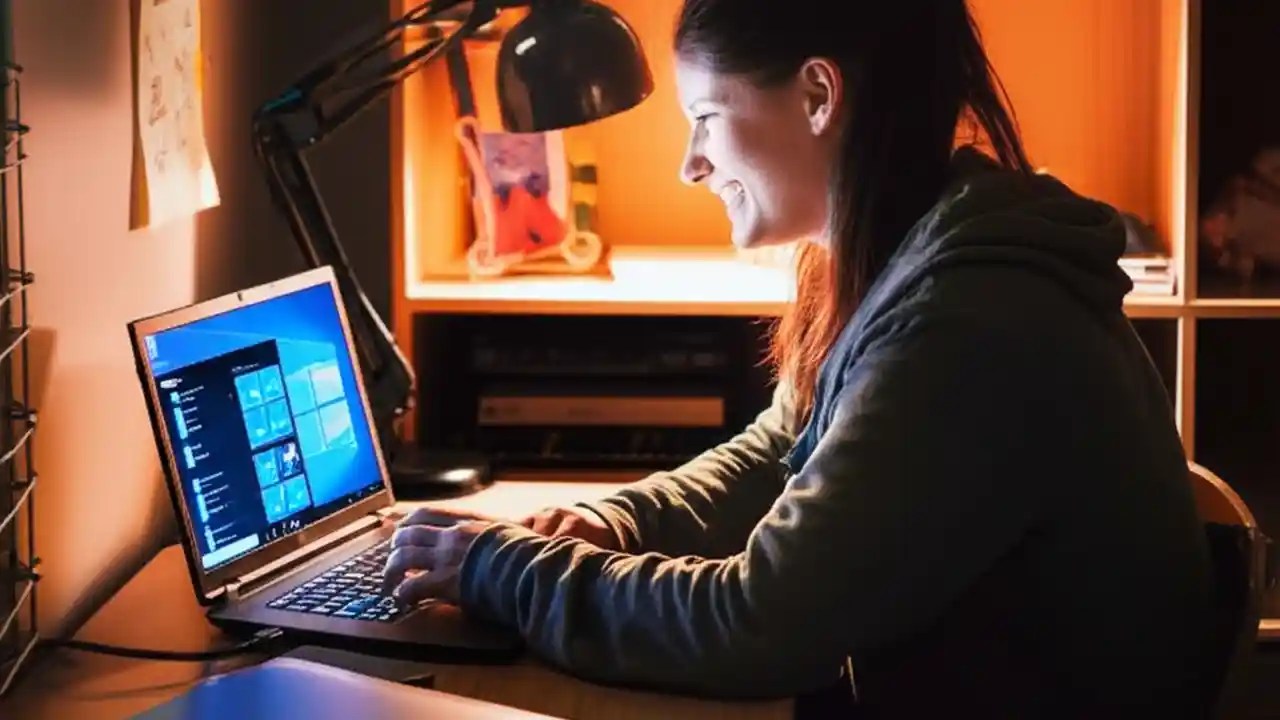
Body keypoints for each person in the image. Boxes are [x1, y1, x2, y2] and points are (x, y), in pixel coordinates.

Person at [383, 0, 1214, 716]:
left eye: (706, 117)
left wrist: (506, 572)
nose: (691, 165)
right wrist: (616, 521)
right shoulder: (903, 248)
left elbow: (757, 625)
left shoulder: (967, 321)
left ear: (817, 95)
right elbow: (781, 448)